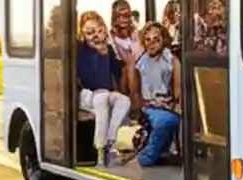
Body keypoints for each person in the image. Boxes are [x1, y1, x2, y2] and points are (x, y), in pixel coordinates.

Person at [122, 22, 180, 168]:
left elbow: (178, 90)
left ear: (163, 40)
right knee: (165, 121)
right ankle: (145, 157)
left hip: (167, 104)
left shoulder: (172, 60)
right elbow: (134, 91)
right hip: (148, 106)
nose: (152, 44)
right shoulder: (140, 62)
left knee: (171, 118)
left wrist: (173, 104)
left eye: (156, 40)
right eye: (148, 40)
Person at [76, 11, 130, 167]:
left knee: (123, 100)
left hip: (104, 93)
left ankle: (110, 142)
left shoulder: (109, 50)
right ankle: (99, 148)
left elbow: (117, 73)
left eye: (99, 31)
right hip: (85, 94)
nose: (95, 36)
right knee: (101, 98)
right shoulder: (80, 49)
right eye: (89, 33)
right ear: (83, 35)